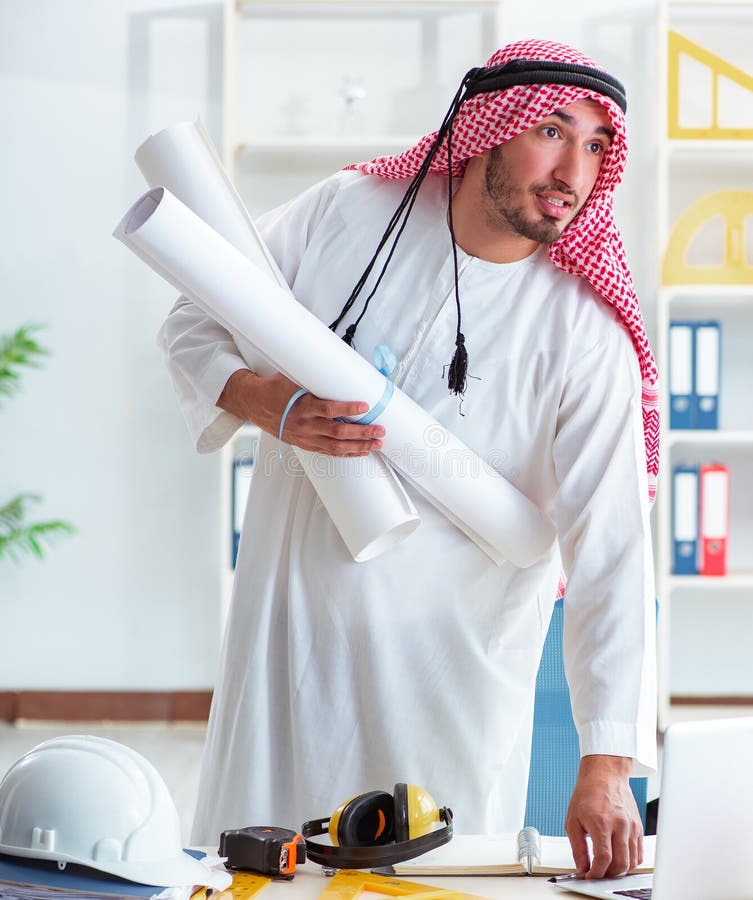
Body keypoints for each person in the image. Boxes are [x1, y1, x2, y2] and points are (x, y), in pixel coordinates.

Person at [158, 39, 658, 880]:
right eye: (549, 131)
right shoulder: (346, 212)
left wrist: (605, 765)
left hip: (446, 672)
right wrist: (261, 401)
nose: (572, 170)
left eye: (595, 145)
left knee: (427, 879)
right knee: (257, 871)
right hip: (288, 640)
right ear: (484, 128)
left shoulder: (582, 330)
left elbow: (610, 549)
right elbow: (194, 314)